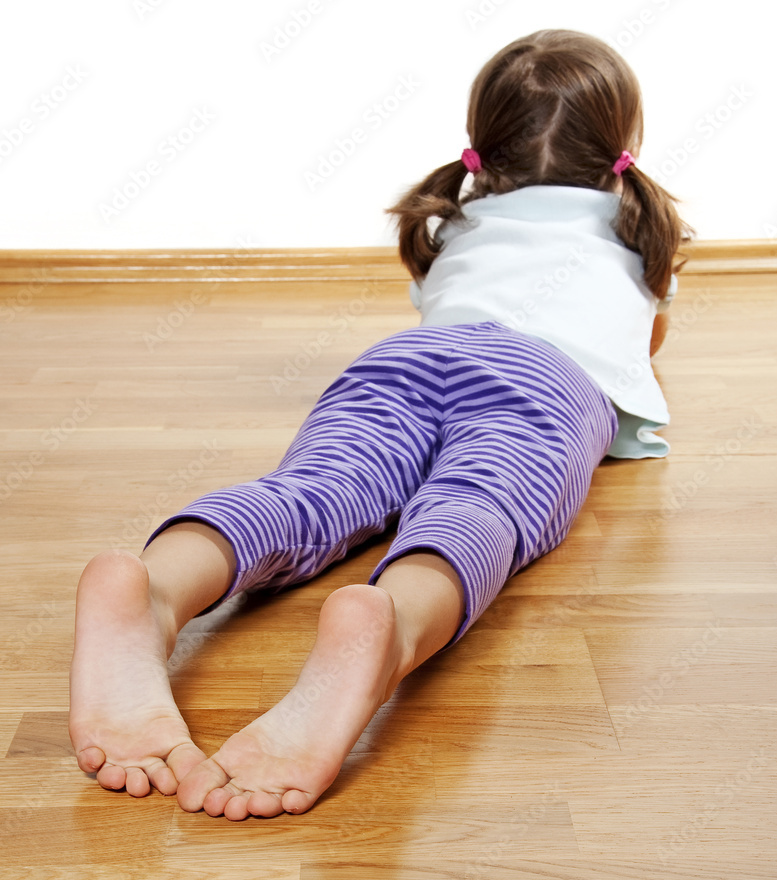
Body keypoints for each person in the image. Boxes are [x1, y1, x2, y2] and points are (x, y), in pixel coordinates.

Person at [68, 28, 693, 821]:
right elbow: (649, 341)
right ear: (624, 147)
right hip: (542, 384)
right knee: (476, 509)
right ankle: (388, 625)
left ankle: (154, 590)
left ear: (480, 147)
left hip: (404, 361)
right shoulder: (636, 229)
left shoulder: (462, 223)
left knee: (311, 490)